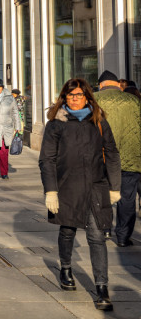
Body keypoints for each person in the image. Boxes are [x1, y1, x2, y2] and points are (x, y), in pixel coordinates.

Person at [39, 78, 121, 311]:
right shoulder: (56, 124)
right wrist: (51, 190)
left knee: (97, 236)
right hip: (67, 186)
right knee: (67, 230)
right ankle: (65, 267)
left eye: (79, 95)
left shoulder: (99, 120)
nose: (75, 98)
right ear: (64, 97)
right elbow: (47, 159)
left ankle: (102, 288)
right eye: (70, 95)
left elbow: (112, 153)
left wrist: (115, 186)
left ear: (87, 96)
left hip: (96, 186)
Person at [93, 70, 141, 248]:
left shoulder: (94, 99)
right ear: (117, 85)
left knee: (102, 194)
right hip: (131, 157)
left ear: (101, 85)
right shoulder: (134, 101)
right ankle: (123, 236)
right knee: (127, 198)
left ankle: (104, 228)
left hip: (102, 156)